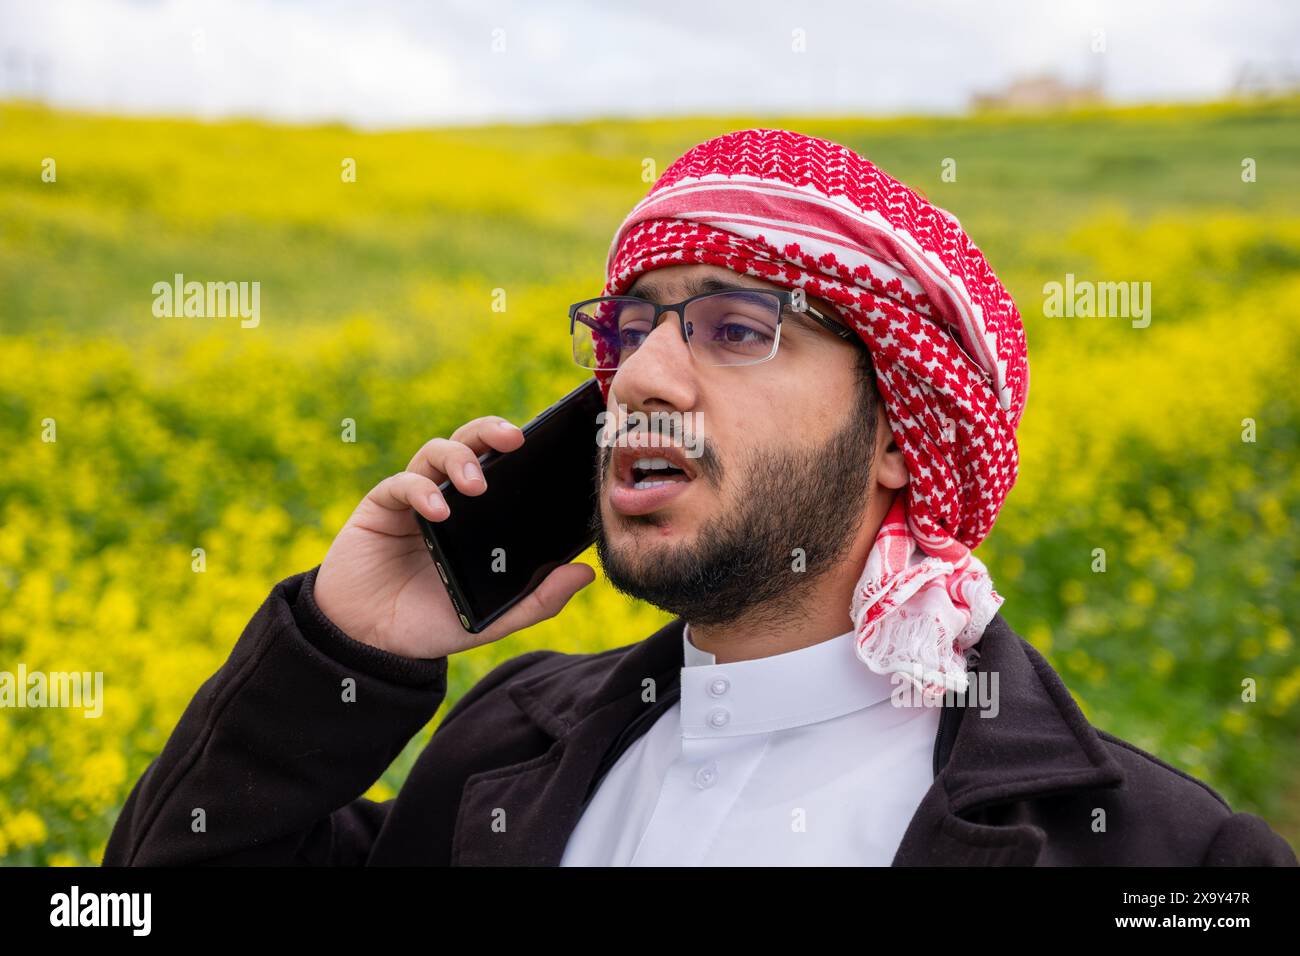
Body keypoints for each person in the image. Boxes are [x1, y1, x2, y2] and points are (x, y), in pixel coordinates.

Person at [103, 128, 1297, 866]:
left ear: (899, 432)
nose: (640, 375)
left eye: (736, 328)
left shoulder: (1162, 851)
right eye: (630, 325)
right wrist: (343, 645)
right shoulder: (502, 748)